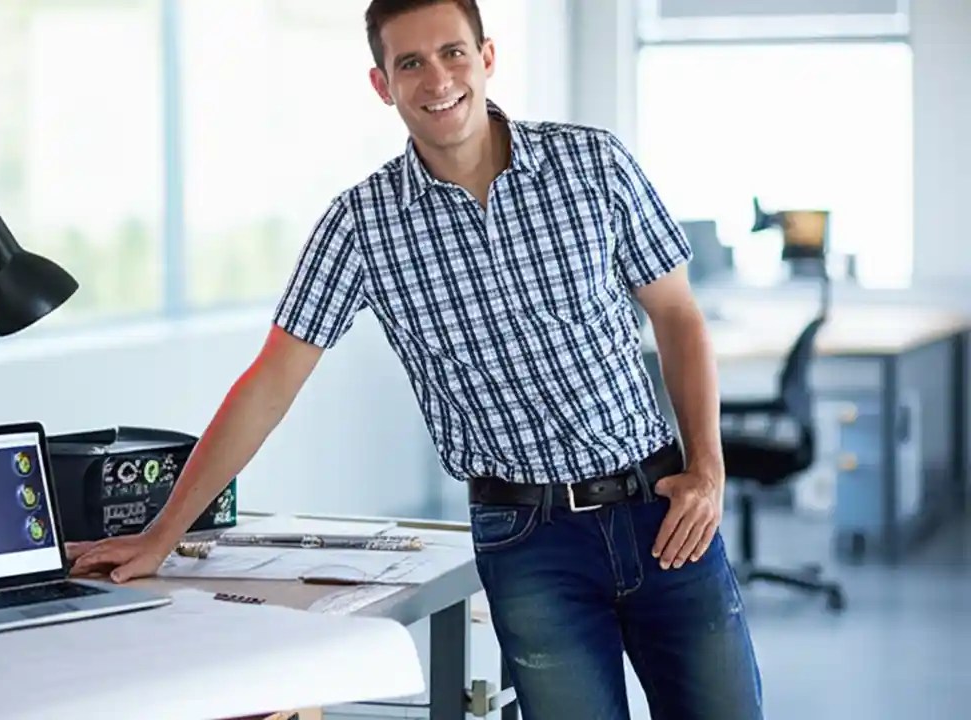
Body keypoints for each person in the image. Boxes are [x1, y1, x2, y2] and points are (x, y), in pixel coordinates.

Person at [67, 0, 763, 717]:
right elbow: (269, 385)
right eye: (411, 63)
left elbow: (678, 316)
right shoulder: (361, 225)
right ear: (383, 84)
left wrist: (707, 468)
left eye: (453, 53)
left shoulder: (594, 164)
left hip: (661, 509)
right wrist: (162, 535)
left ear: (486, 57)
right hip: (529, 541)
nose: (438, 79)